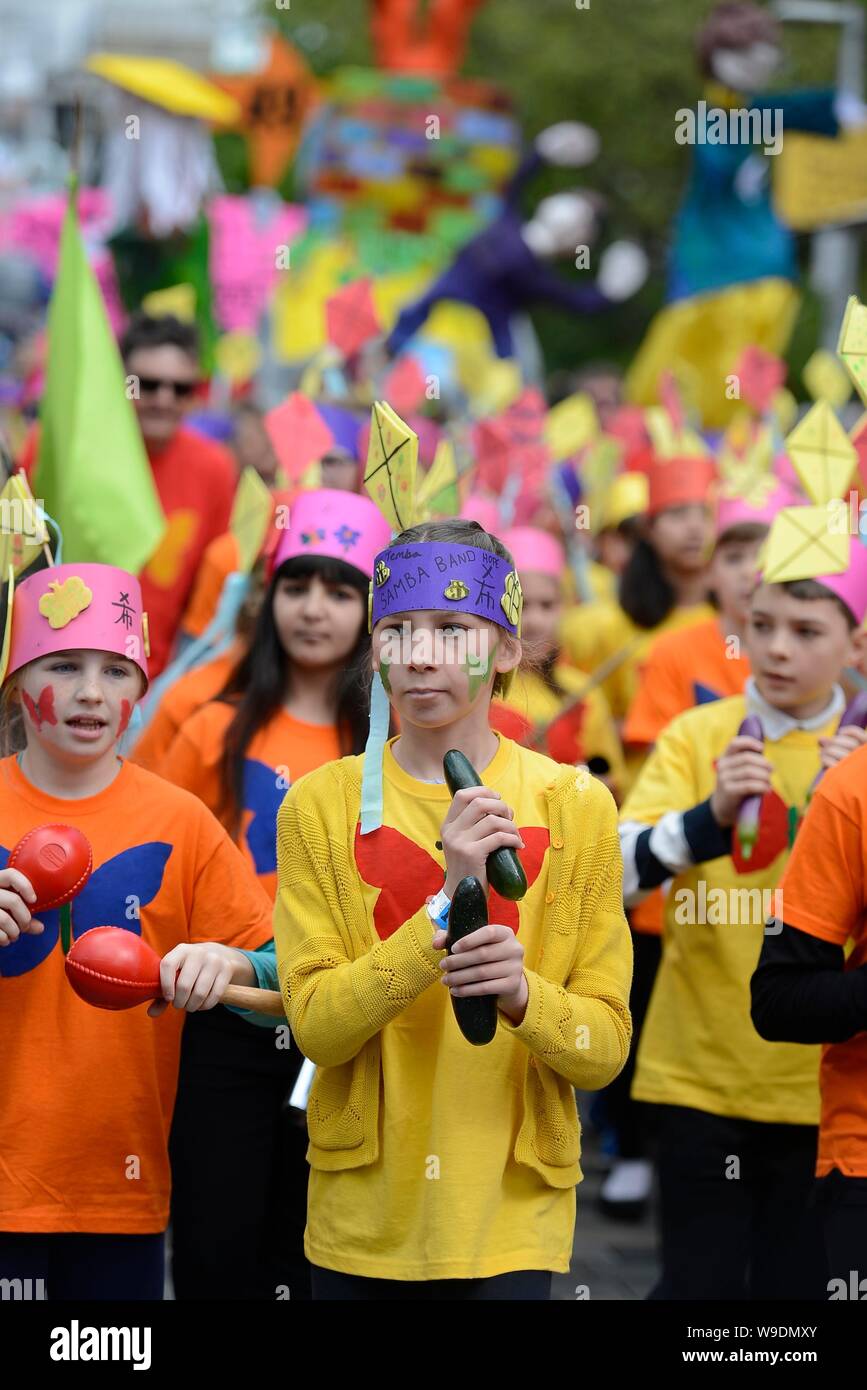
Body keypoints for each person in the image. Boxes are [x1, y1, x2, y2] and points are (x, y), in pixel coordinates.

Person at [273, 516, 633, 1299]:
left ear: (507, 650)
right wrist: (447, 903)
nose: (421, 654)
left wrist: (521, 995)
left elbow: (603, 1048)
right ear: (374, 651)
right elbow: (319, 1028)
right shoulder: (316, 805)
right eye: (396, 630)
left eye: (453, 629)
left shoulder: (576, 804)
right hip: (363, 1219)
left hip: (512, 1217)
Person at [0, 562, 273, 1300]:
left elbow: (279, 963)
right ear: (15, 683)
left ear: (140, 691)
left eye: (117, 671)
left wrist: (227, 965)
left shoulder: (179, 820)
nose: (92, 690)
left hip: (122, 1188)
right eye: (63, 665)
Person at [619, 537, 867, 1299]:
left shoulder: (858, 757)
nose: (774, 649)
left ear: (856, 641)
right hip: (699, 1075)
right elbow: (612, 877)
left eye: (804, 631)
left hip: (819, 1092)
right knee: (698, 1291)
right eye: (759, 625)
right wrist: (707, 816)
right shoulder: (701, 734)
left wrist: (839, 800)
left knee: (796, 1298)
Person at [158, 490, 391, 1301]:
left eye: (339, 590)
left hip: (347, 1018)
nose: (314, 610)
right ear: (269, 596)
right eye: (297, 587)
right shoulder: (204, 722)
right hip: (226, 1009)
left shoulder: (393, 742)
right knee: (216, 1251)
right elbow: (159, 856)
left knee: (319, 1253)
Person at [17, 313, 238, 677]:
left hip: (154, 684)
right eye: (147, 384)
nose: (163, 399)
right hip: (54, 669)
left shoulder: (214, 467)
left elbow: (212, 587)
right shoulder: (58, 446)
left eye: (180, 388)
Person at [490, 525, 624, 797]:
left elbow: (614, 783)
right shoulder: (475, 693)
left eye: (548, 605)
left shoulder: (583, 692)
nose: (535, 621)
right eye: (522, 606)